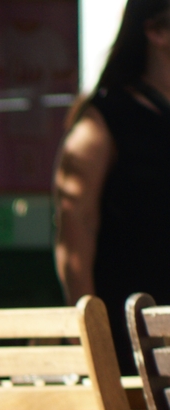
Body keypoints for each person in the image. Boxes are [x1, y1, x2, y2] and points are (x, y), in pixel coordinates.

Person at [57, 0, 170, 351]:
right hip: (132, 335)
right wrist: (91, 333)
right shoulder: (105, 118)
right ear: (156, 31)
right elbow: (76, 222)